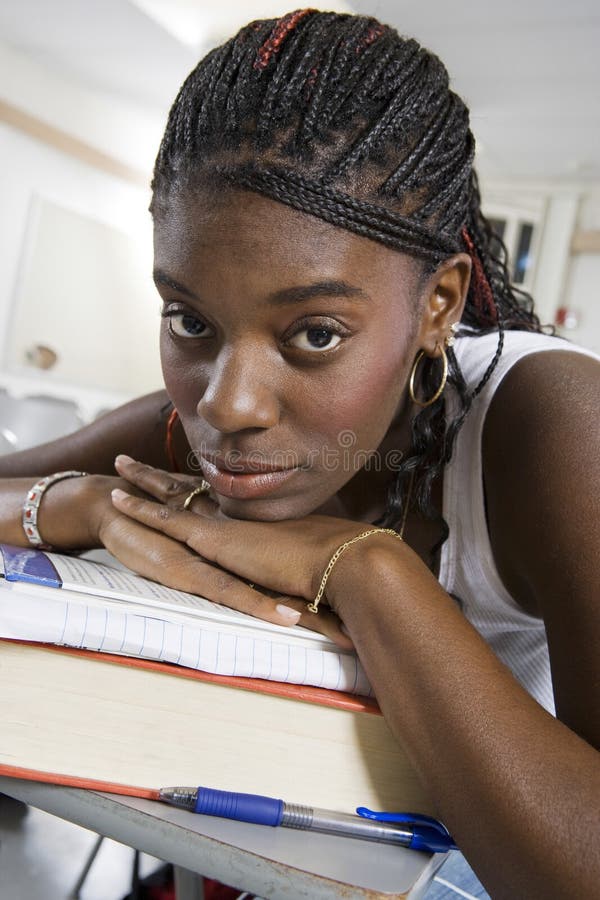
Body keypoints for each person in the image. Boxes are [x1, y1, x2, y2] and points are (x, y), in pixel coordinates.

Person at [1, 10, 598, 898]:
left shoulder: (554, 426)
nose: (226, 405)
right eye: (190, 320)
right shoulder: (193, 422)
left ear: (438, 305)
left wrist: (367, 571)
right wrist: (91, 505)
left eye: (315, 333)